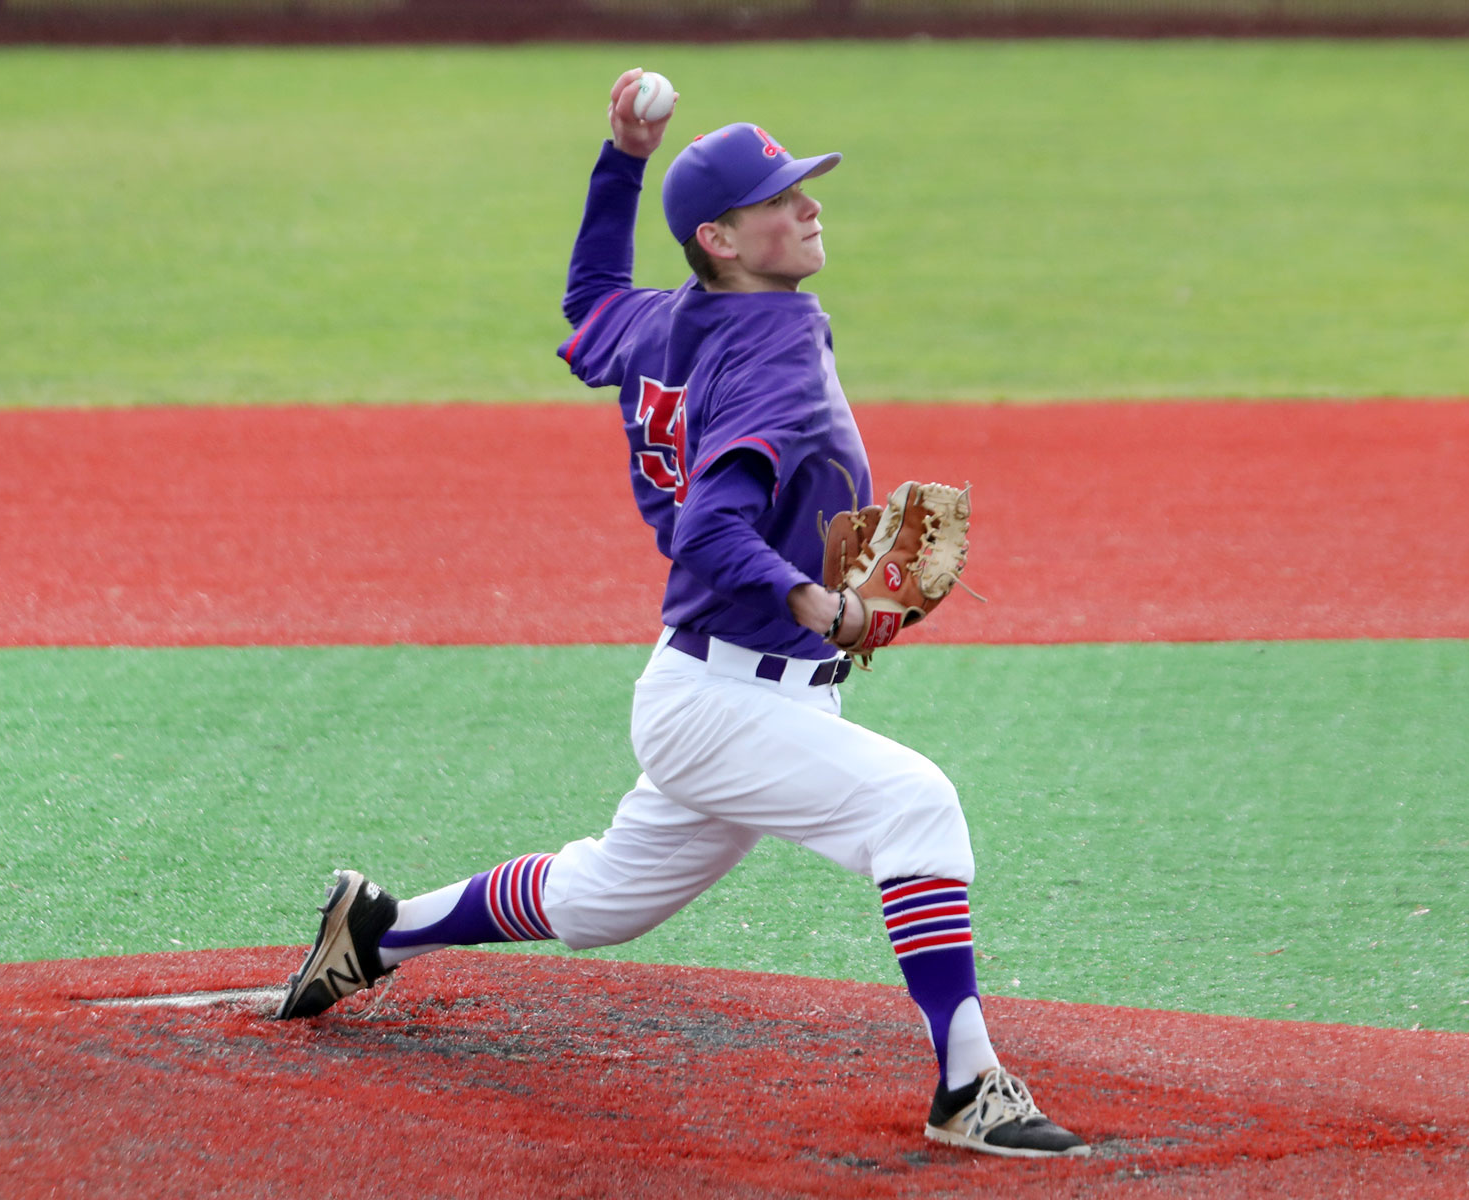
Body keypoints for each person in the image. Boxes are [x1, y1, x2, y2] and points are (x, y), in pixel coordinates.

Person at [273, 67, 1090, 1161]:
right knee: (918, 809)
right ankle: (969, 1085)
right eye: (780, 200)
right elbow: (708, 534)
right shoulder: (777, 350)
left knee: (605, 900)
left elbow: (588, 301)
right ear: (721, 239)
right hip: (726, 698)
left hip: (715, 689)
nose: (808, 206)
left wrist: (621, 157)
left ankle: (378, 928)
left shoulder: (666, 324)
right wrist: (823, 602)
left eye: (804, 189)